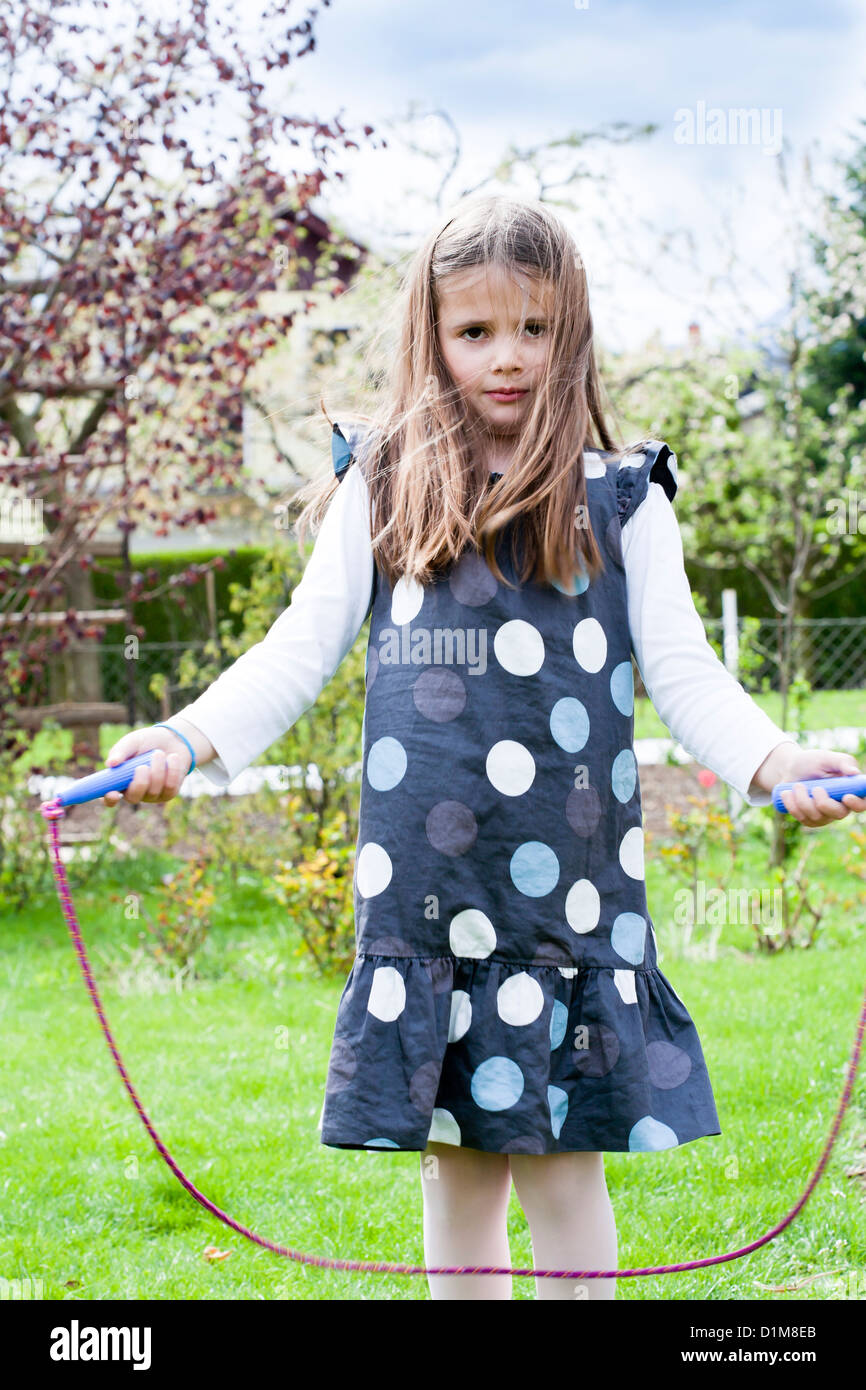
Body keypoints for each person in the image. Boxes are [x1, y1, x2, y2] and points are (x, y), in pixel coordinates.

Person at [102, 194, 866, 1301]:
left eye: (533, 328)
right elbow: (292, 652)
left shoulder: (622, 500)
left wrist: (774, 762)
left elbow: (686, 674)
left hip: (569, 907)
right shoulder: (381, 485)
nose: (505, 357)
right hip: (428, 902)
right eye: (474, 332)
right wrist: (185, 734)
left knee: (560, 1174)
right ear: (432, 336)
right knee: (457, 1176)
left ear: (573, 333)